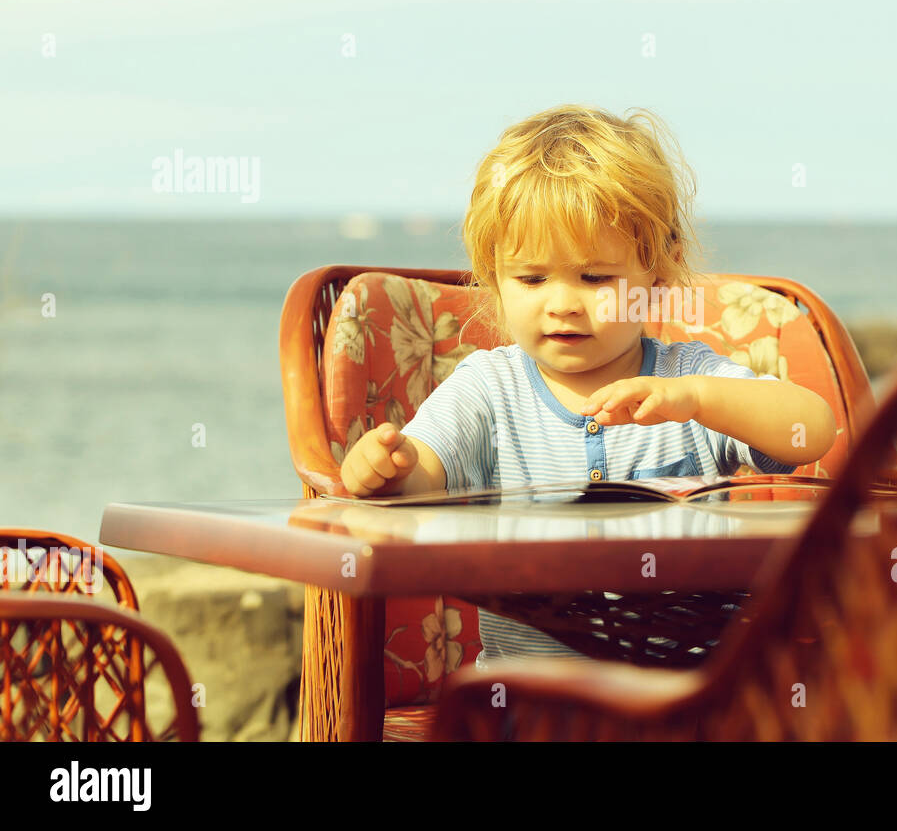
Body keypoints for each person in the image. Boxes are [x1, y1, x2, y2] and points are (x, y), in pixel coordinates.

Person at [340, 103, 836, 666]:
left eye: (595, 277)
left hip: (687, 702)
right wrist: (389, 471)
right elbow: (426, 479)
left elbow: (812, 430)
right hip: (531, 706)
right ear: (494, 278)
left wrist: (699, 399)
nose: (562, 304)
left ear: (658, 270)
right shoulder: (489, 388)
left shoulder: (686, 379)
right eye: (530, 278)